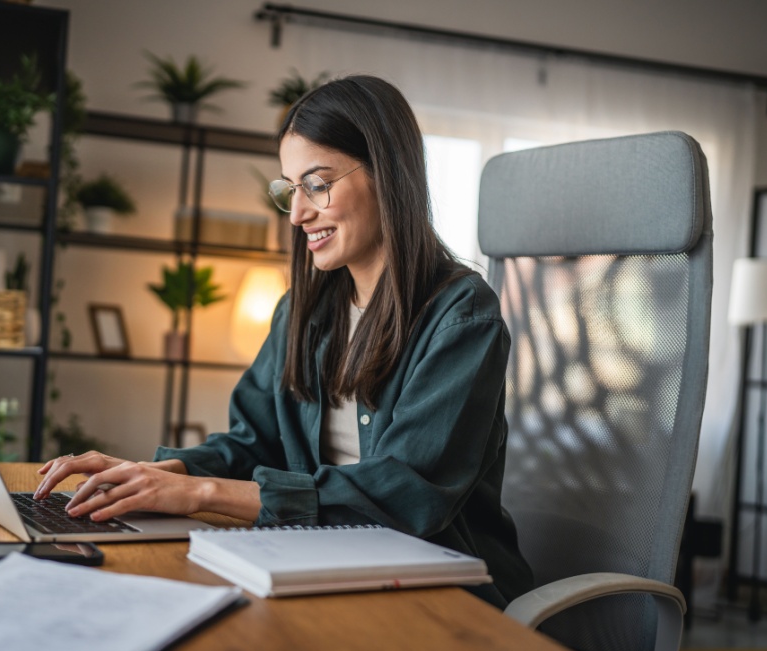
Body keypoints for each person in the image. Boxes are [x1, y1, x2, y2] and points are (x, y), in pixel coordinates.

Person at [35, 75, 533, 607]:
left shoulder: (461, 317)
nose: (296, 214)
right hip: (321, 561)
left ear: (388, 174)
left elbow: (405, 496)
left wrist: (201, 492)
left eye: (317, 184)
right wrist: (156, 474)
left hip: (438, 591)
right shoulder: (305, 309)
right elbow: (255, 442)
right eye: (289, 189)